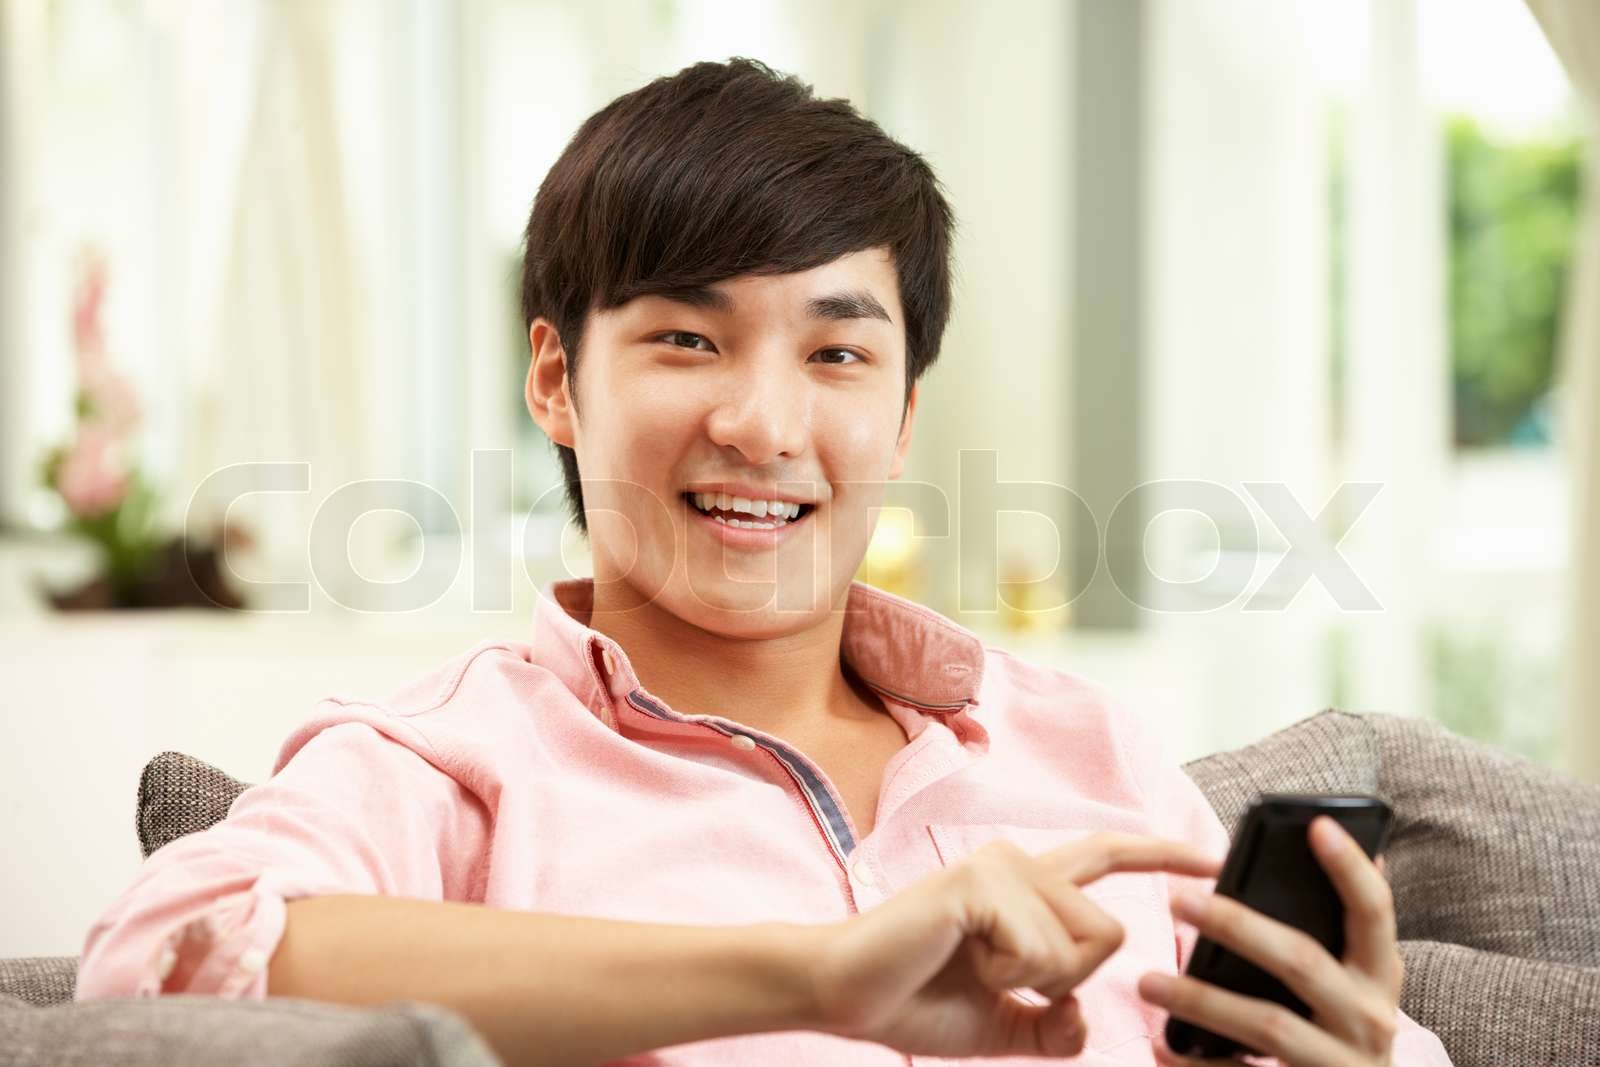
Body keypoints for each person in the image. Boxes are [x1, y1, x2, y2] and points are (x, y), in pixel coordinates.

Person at [76, 57, 1453, 1067]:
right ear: (556, 381)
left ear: (904, 413)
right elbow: (159, 965)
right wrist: (813, 979)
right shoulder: (448, 763)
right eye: (688, 339)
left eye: (838, 353)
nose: (763, 424)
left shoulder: (1088, 753)